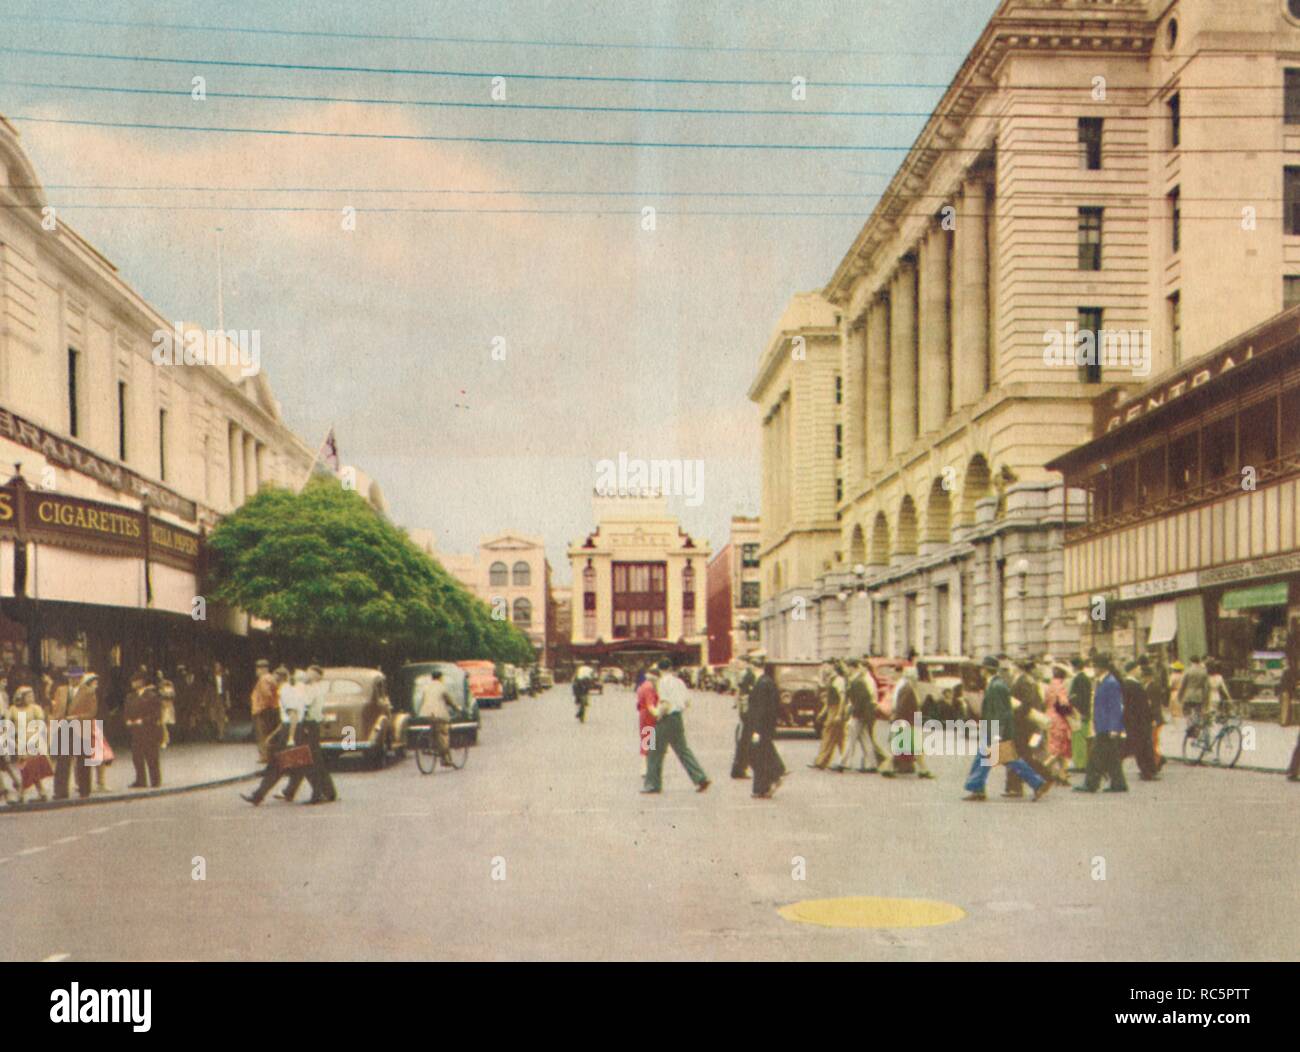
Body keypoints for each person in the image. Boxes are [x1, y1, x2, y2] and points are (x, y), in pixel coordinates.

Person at [963, 656, 1051, 802]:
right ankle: (977, 789)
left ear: (985, 670)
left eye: (982, 669)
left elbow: (1000, 712)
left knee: (1006, 760)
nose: (980, 672)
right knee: (985, 759)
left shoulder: (996, 687)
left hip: (995, 730)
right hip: (993, 729)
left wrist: (997, 734)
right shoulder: (995, 684)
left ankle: (1038, 783)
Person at [641, 660, 710, 794]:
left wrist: (658, 714)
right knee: (683, 750)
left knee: (653, 750)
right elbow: (687, 702)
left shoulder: (663, 682)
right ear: (671, 668)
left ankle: (652, 784)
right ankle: (700, 777)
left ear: (659, 670)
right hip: (677, 718)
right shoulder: (679, 682)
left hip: (666, 718)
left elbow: (665, 704)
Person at [243, 670, 311, 805]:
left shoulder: (286, 693)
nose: (271, 682)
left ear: (279, 679)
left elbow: (293, 716)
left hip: (291, 730)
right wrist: (274, 735)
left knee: (276, 765)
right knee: (297, 764)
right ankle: (289, 792)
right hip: (293, 729)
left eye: (273, 679)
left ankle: (258, 795)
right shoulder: (288, 691)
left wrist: (290, 737)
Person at [282, 665, 338, 803]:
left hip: (308, 726)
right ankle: (329, 792)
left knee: (309, 761)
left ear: (315, 677)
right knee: (312, 760)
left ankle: (317, 794)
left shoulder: (311, 689)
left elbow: (304, 705)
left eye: (309, 674)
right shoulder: (315, 688)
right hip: (312, 726)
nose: (306, 675)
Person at [1076, 657, 1127, 793]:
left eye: (1095, 667)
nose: (1094, 669)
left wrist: (1114, 728)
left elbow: (1115, 707)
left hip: (1107, 726)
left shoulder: (1110, 683)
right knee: (1112, 758)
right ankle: (1119, 783)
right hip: (1102, 724)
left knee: (1094, 757)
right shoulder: (1103, 681)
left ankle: (1091, 784)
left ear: (1102, 668)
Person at [53, 671, 99, 800]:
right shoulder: (61, 690)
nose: (72, 680)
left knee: (82, 760)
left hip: (81, 726)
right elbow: (56, 707)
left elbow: (92, 712)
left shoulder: (88, 692)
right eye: (70, 677)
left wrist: (77, 717)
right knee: (62, 760)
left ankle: (84, 790)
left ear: (80, 678)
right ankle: (60, 791)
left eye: (76, 677)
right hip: (64, 726)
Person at [882, 666, 934, 779]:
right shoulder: (908, 689)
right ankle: (924, 770)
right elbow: (903, 707)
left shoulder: (906, 687)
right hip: (908, 722)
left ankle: (888, 768)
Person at [836, 658, 886, 773]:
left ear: (853, 668)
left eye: (847, 667)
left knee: (850, 738)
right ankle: (871, 764)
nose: (846, 670)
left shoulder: (857, 681)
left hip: (859, 714)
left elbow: (860, 701)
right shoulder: (857, 679)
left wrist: (853, 714)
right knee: (865, 739)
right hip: (864, 714)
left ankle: (843, 763)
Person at [747, 662, 785, 798]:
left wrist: (756, 730)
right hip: (767, 726)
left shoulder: (762, 684)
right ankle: (773, 777)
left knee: (758, 756)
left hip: (761, 726)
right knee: (764, 753)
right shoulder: (768, 682)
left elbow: (761, 709)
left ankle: (767, 782)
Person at [8, 685, 51, 803]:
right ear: (21, 697)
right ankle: (41, 793)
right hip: (19, 743)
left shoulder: (35, 708)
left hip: (33, 741)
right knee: (29, 769)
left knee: (27, 768)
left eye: (32, 695)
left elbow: (41, 725)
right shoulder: (13, 709)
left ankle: (21, 795)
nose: (31, 697)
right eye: (28, 695)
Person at [124, 669, 164, 789]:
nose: (133, 684)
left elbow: (157, 714)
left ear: (142, 682)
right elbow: (126, 711)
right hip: (136, 731)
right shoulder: (130, 697)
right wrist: (128, 720)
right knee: (137, 757)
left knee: (152, 756)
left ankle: (155, 780)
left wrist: (143, 720)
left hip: (149, 730)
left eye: (135, 682)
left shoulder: (151, 696)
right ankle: (140, 780)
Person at [809, 661, 849, 770]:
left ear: (832, 667)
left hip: (836, 710)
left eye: (826, 666)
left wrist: (839, 714)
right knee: (840, 738)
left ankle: (821, 761)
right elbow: (828, 700)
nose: (824, 668)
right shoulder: (832, 680)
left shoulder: (838, 680)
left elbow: (842, 698)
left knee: (828, 734)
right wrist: (823, 712)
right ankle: (844, 762)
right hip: (833, 709)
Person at [416, 667, 456, 769]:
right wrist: (457, 708)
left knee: (435, 730)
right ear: (440, 678)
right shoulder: (442, 687)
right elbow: (449, 701)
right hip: (439, 713)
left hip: (427, 713)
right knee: (444, 733)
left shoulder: (426, 687)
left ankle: (435, 747)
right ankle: (444, 755)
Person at [1043, 666, 1075, 785]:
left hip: (1049, 717)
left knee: (1055, 747)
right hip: (1059, 720)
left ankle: (1061, 774)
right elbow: (1064, 703)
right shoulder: (1061, 687)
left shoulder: (1049, 686)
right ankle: (1042, 769)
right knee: (1061, 748)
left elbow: (1046, 701)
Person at [249, 659, 282, 762]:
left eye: (258, 668)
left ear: (263, 669)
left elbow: (266, 695)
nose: (256, 671)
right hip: (270, 709)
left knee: (262, 734)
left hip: (261, 711)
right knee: (269, 733)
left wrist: (263, 707)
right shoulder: (271, 678)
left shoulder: (263, 679)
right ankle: (270, 755)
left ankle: (264, 756)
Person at [731, 659, 757, 779]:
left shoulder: (749, 675)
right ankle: (739, 768)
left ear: (746, 663)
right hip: (745, 712)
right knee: (744, 741)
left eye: (740, 662)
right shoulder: (742, 674)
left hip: (747, 710)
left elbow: (747, 693)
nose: (738, 664)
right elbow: (740, 691)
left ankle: (739, 768)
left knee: (744, 741)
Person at [1068, 656, 1093, 772]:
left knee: (1079, 739)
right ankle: (1082, 762)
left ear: (1074, 667)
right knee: (1081, 739)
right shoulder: (1084, 678)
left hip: (1079, 713)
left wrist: (1072, 701)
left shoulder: (1079, 679)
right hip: (1083, 712)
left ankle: (1081, 764)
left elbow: (1081, 697)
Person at [636, 667, 659, 779]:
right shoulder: (650, 688)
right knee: (650, 742)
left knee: (646, 740)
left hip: (643, 714)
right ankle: (647, 767)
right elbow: (650, 705)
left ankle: (645, 767)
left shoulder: (642, 685)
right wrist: (657, 714)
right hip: (649, 716)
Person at [1177, 655, 1210, 729]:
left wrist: (1179, 696)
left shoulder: (1188, 671)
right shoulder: (1204, 671)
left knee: (1186, 710)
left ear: (1191, 662)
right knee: (1198, 711)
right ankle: (1197, 725)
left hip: (1188, 694)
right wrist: (1206, 698)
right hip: (1199, 695)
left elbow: (1182, 685)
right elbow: (1207, 687)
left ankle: (1190, 724)